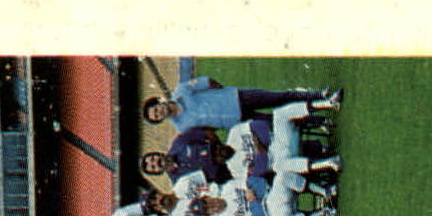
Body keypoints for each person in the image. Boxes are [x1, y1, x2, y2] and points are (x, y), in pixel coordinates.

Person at [143, 78, 341, 133]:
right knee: (277, 122)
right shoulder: (181, 126)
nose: (160, 113)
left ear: (159, 102)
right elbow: (205, 131)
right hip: (235, 120)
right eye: (157, 116)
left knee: (277, 98)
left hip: (236, 98)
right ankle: (319, 121)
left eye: (156, 109)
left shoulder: (181, 91)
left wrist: (223, 94)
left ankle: (317, 95)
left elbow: (207, 82)